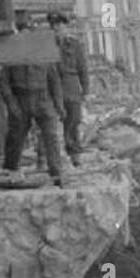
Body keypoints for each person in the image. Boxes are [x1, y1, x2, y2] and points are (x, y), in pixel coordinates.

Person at [1, 18, 65, 186]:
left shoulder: (43, 54)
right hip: (21, 99)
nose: (25, 38)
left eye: (28, 34)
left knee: (51, 135)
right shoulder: (12, 56)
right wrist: (11, 104)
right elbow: (4, 83)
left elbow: (54, 81)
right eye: (22, 34)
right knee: (16, 136)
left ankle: (56, 172)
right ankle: (12, 170)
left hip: (42, 99)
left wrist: (59, 105)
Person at [50, 13, 89, 166]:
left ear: (66, 27)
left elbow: (82, 68)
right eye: (54, 25)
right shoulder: (47, 45)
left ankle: (74, 153)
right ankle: (52, 156)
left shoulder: (74, 45)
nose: (56, 28)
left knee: (74, 118)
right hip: (52, 85)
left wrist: (85, 90)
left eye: (59, 25)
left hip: (70, 84)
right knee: (50, 120)